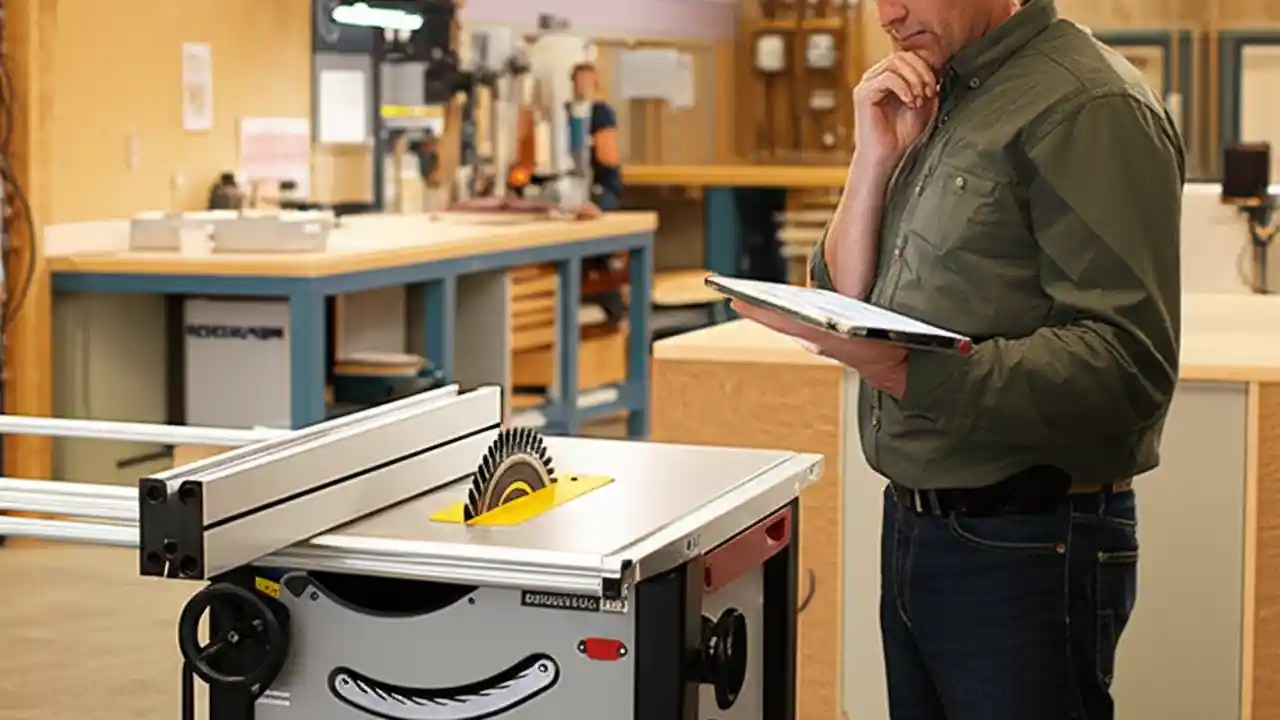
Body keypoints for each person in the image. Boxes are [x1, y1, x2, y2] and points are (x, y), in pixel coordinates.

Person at [731, 0, 1184, 718]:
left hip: (1026, 543)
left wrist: (900, 370)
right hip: (919, 529)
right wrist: (874, 156)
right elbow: (844, 289)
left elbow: (1128, 365)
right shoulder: (943, 95)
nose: (889, 12)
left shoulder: (1088, 106)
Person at [569, 62, 623, 211]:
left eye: (587, 80)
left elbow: (608, 156)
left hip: (600, 184)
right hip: (573, 181)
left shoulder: (601, 112)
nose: (583, 85)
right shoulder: (567, 111)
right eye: (579, 80)